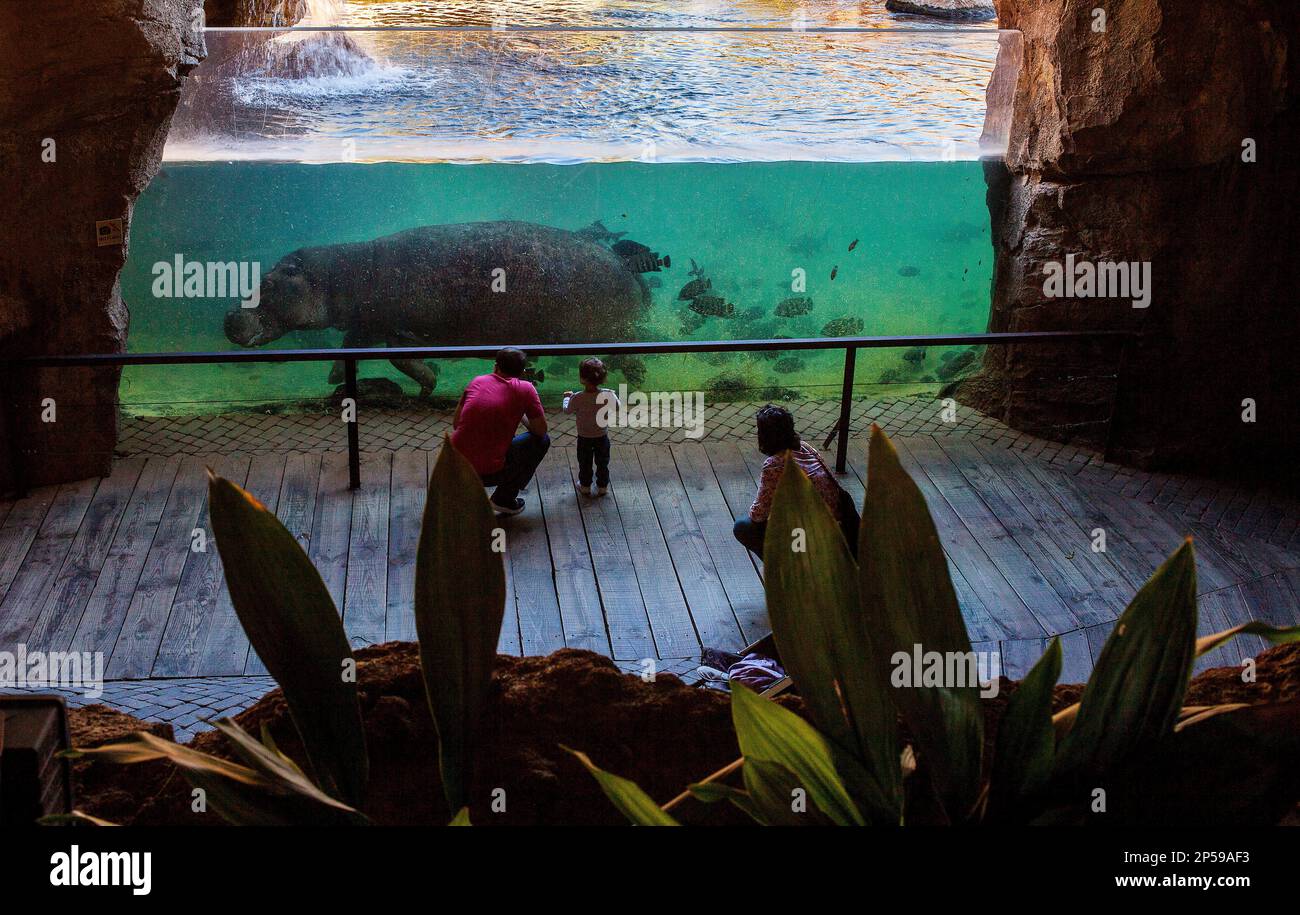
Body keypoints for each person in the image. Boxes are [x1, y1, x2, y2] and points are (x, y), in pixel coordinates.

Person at [733, 404, 859, 558]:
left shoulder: (775, 463)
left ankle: (783, 571)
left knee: (743, 527)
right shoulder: (805, 448)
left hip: (814, 536)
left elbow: (758, 515)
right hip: (841, 527)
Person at [450, 347, 550, 515]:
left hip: (454, 465)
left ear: (495, 366)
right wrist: (521, 414)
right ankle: (504, 499)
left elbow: (456, 423)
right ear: (523, 371)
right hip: (488, 474)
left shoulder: (477, 381)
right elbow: (541, 430)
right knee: (542, 441)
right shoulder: (526, 389)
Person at [562, 357, 619, 496]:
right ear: (603, 379)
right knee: (602, 462)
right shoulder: (606, 395)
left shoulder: (578, 397)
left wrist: (567, 398)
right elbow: (617, 407)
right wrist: (613, 394)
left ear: (582, 378)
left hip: (584, 437)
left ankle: (585, 486)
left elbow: (567, 410)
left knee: (585, 462)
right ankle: (602, 486)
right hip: (601, 436)